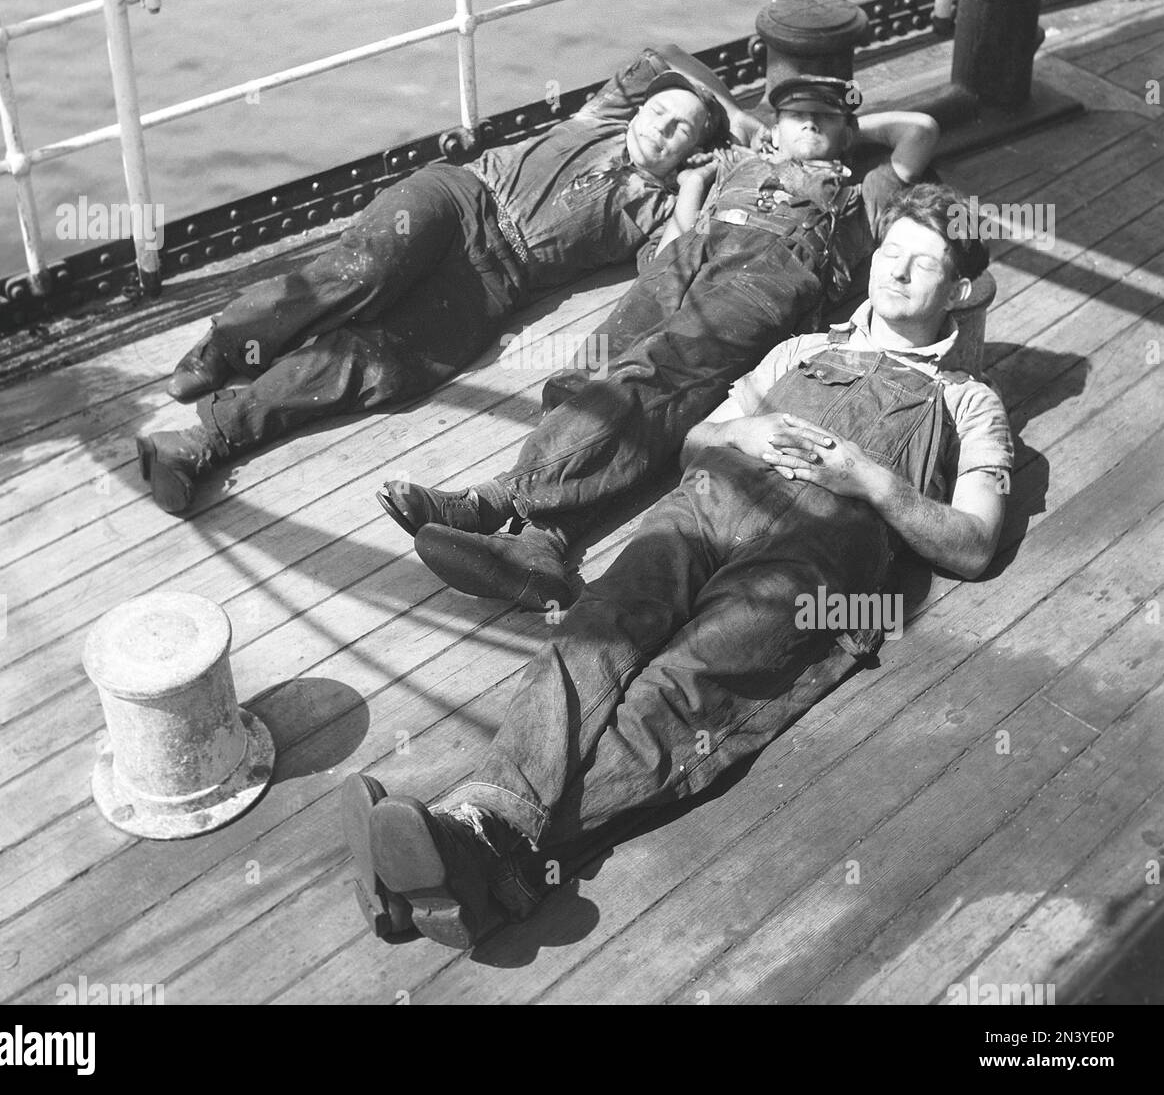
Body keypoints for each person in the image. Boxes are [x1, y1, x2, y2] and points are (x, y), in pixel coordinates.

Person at [342, 183, 1013, 949]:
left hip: (815, 564)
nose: (895, 272)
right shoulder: (803, 350)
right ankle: (480, 852)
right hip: (704, 509)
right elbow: (696, 441)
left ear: (957, 290)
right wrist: (744, 435)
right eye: (891, 252)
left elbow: (974, 543)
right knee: (590, 640)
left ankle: (469, 845)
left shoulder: (967, 403)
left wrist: (867, 478)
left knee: (680, 693)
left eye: (922, 264)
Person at [382, 76, 941, 609]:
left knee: (659, 375)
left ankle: (492, 501)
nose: (810, 124)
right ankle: (540, 544)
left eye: (825, 119)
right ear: (777, 123)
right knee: (591, 373)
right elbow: (667, 65)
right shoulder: (738, 162)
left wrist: (844, 129)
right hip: (690, 253)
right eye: (798, 115)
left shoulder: (866, 188)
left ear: (848, 129)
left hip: (769, 275)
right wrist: (697, 187)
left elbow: (920, 128)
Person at [137, 43, 753, 514]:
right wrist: (732, 114)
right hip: (462, 197)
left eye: (680, 131)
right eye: (658, 111)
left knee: (380, 363)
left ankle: (203, 442)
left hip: (499, 279)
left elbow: (667, 275)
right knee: (361, 271)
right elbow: (659, 54)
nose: (659, 129)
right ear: (638, 105)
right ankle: (225, 343)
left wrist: (694, 189)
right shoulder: (601, 116)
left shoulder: (659, 210)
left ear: (690, 153)